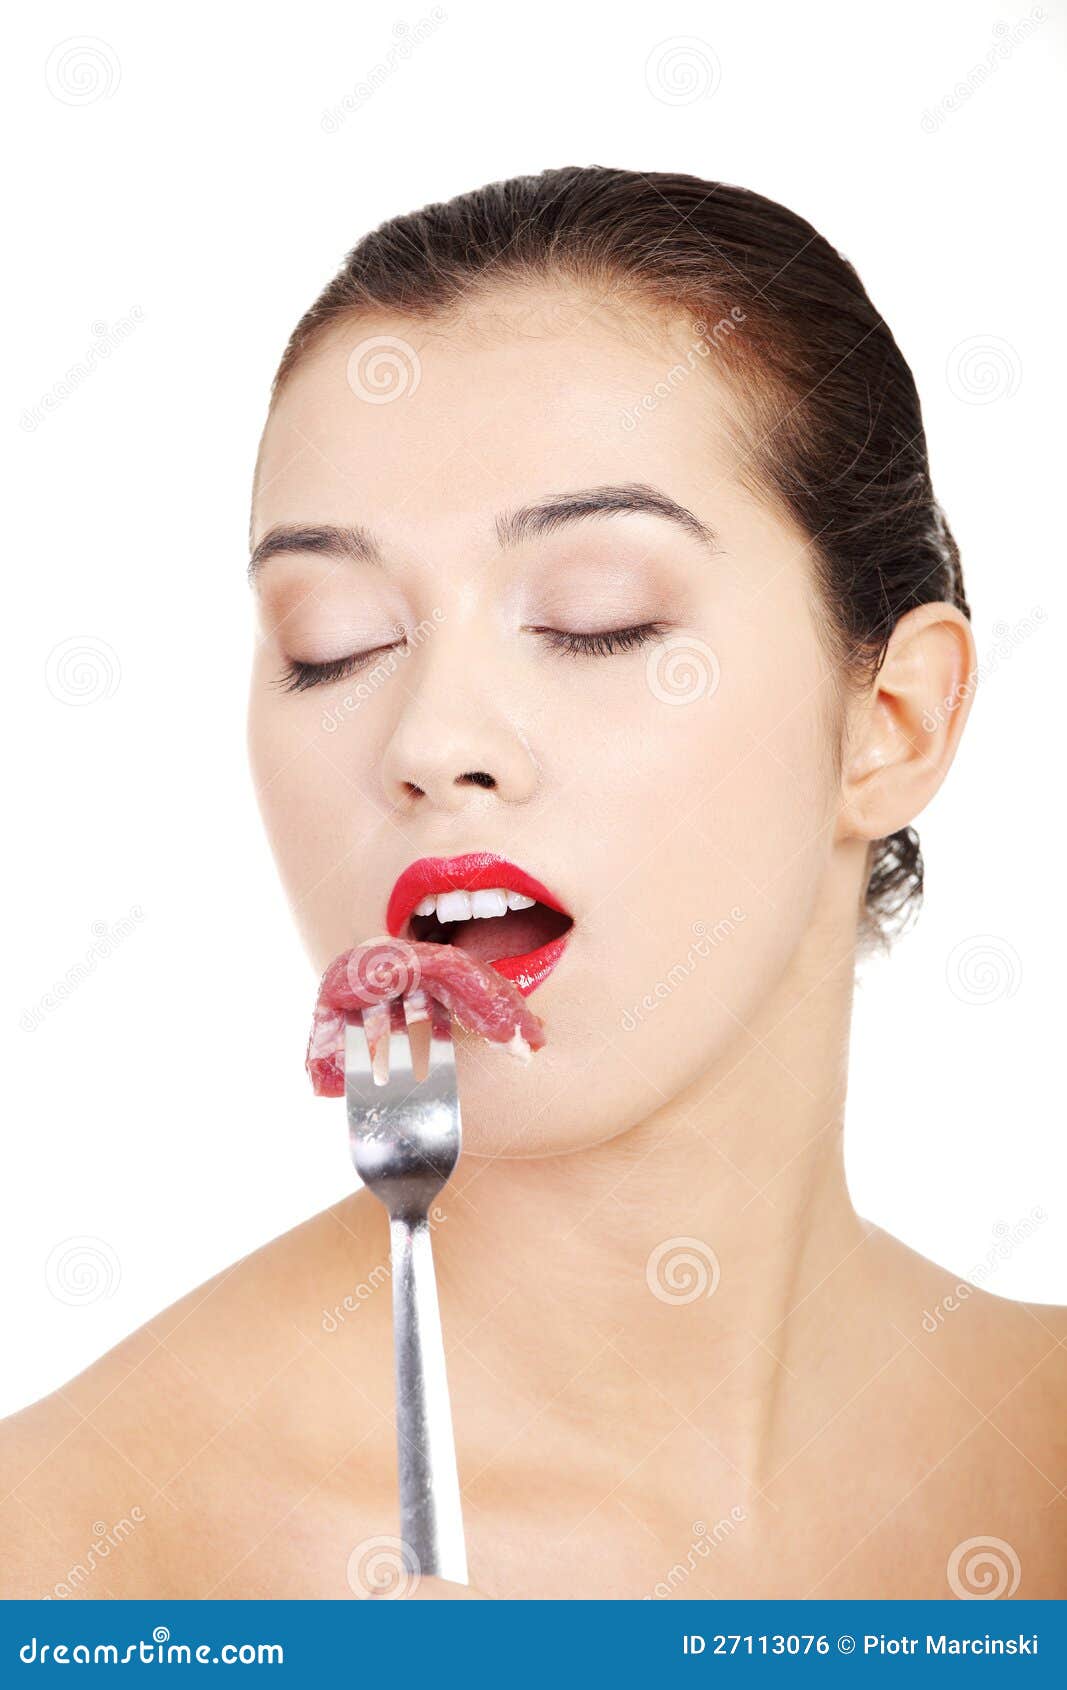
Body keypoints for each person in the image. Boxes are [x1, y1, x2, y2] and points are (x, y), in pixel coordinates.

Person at [5, 167, 1063, 1600]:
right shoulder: (77, 1558)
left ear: (893, 722)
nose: (432, 741)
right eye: (333, 641)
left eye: (597, 619)